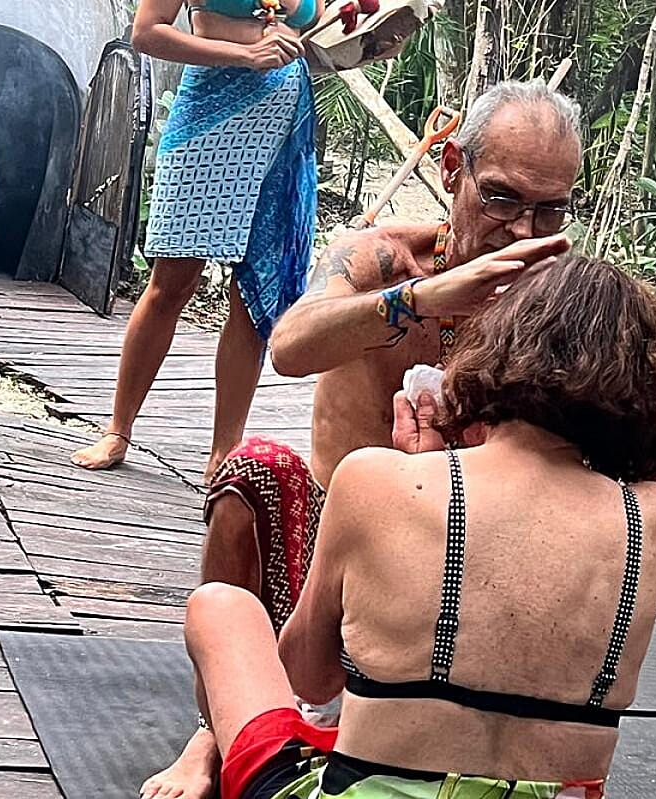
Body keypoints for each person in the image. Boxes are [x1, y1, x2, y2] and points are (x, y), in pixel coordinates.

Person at [142, 80, 582, 799]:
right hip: (336, 547)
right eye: (502, 198)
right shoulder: (382, 261)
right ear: (452, 171)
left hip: (467, 560)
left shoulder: (558, 304)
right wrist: (425, 300)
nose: (523, 230)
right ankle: (210, 735)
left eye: (550, 208)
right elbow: (287, 345)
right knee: (254, 468)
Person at [182, 255, 656, 799]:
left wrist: (424, 475)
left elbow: (309, 676)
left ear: (492, 354)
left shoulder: (375, 481)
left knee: (222, 607)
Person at [71, 0, 328, 481]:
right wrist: (244, 55)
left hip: (281, 126)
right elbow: (146, 33)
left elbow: (309, 30)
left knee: (251, 294)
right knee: (172, 280)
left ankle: (223, 452)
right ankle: (118, 429)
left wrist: (364, 35)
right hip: (208, 118)